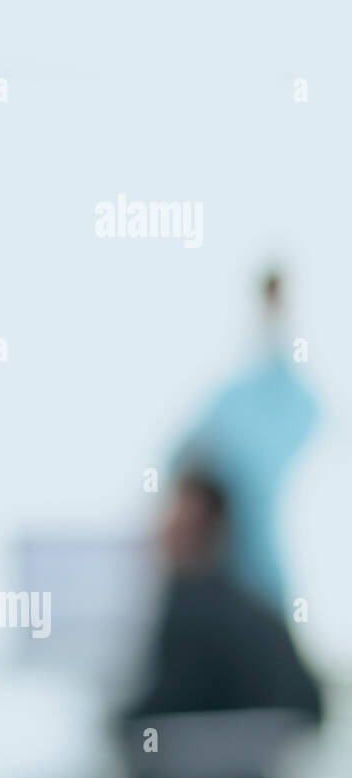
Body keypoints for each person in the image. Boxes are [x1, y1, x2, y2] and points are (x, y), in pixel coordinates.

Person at [170, 271, 319, 617]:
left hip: (259, 586)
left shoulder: (291, 398)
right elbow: (182, 457)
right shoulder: (231, 401)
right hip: (227, 584)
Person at [126, 470, 322, 722]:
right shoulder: (253, 604)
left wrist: (113, 724)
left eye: (179, 524)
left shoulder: (192, 606)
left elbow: (172, 701)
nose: (164, 533)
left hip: (210, 754)